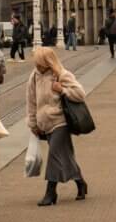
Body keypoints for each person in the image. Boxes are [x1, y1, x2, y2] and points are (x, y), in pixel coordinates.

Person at [26, 47, 88, 206]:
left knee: (54, 155)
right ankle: (80, 182)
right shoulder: (34, 76)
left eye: (39, 63)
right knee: (65, 156)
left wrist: (63, 90)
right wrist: (33, 123)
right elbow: (31, 101)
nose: (37, 66)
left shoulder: (61, 74)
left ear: (48, 62)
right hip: (44, 124)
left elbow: (80, 93)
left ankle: (50, 192)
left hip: (60, 121)